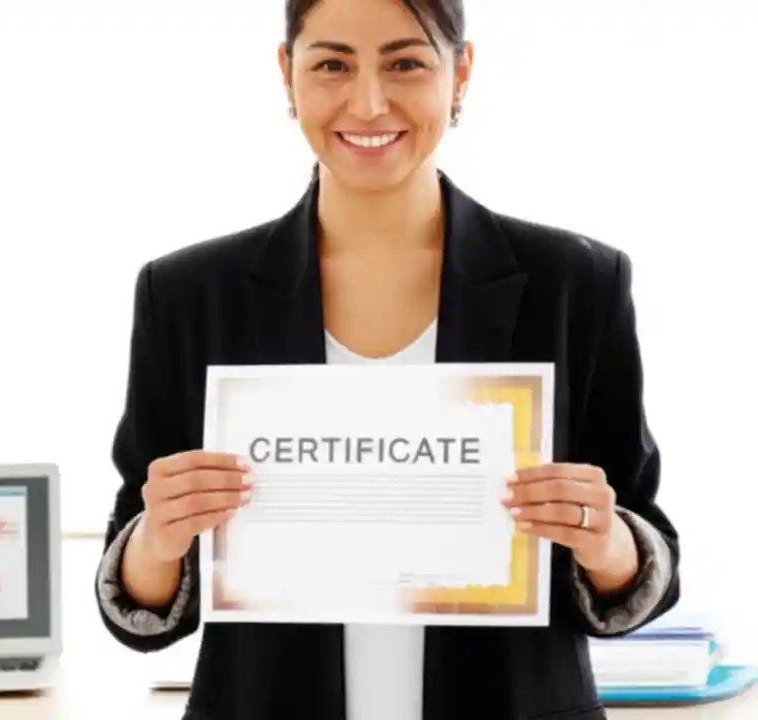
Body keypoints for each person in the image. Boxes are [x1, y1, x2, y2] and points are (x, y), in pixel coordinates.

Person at [93, 0, 680, 718]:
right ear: (288, 75)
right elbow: (136, 602)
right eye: (332, 64)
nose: (368, 103)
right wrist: (159, 537)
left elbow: (642, 560)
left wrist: (604, 538)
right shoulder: (187, 295)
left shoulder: (576, 284)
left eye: (405, 63)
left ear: (460, 73)